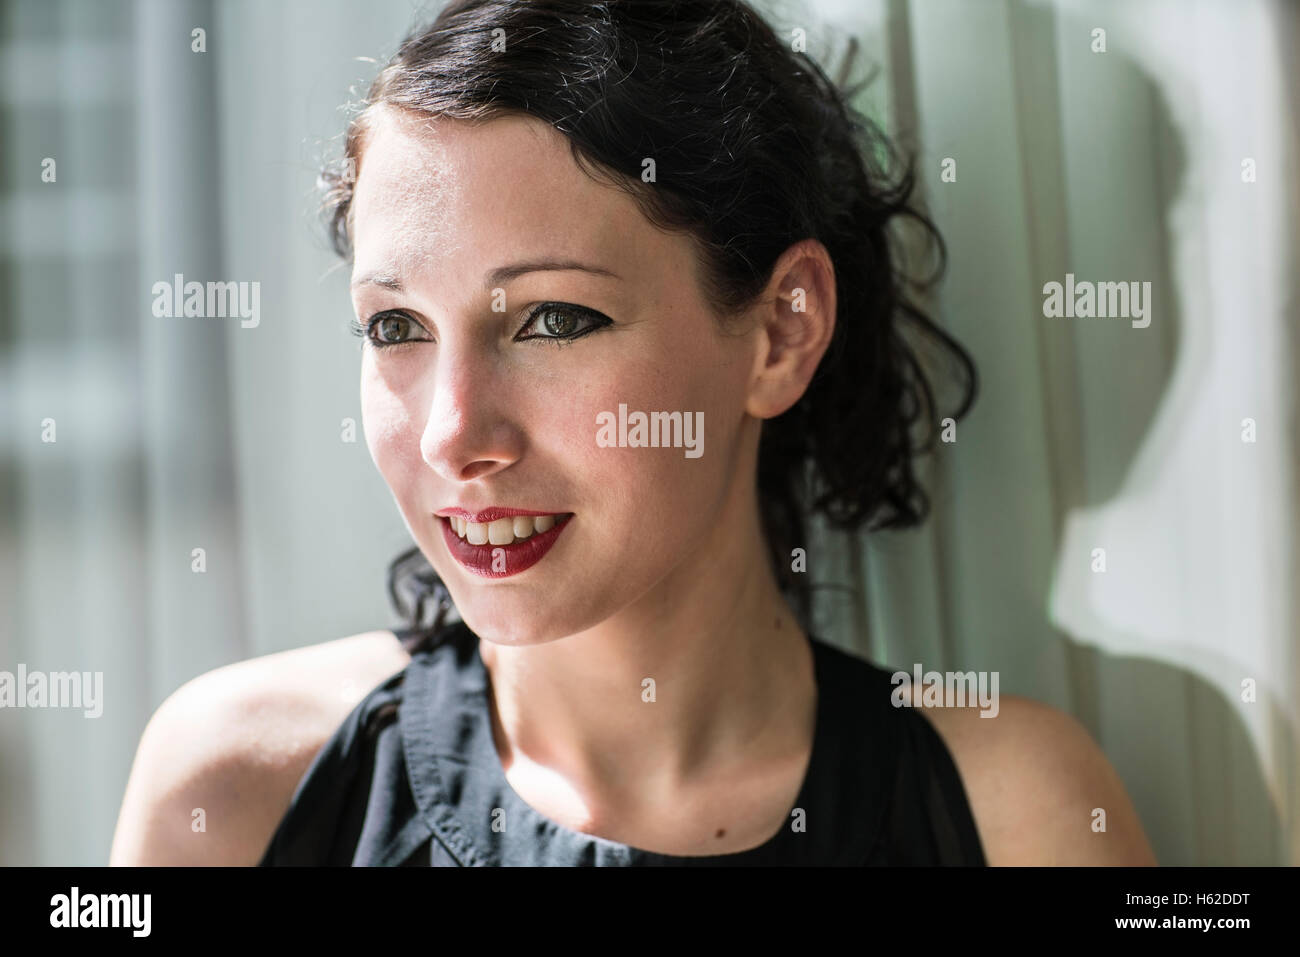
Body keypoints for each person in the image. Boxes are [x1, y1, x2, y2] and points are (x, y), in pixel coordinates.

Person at [110, 0, 1156, 866]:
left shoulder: (1017, 817)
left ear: (780, 333)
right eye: (397, 327)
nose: (452, 433)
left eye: (554, 320)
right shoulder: (236, 791)